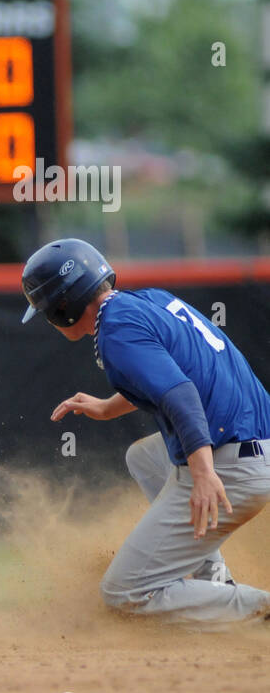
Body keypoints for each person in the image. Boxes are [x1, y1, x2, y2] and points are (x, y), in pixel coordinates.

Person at [21, 238, 270, 624]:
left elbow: (182, 395)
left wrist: (203, 474)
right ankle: (214, 579)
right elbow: (176, 374)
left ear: (64, 307)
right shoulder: (147, 301)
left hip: (230, 462)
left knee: (124, 593)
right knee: (144, 456)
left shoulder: (116, 331)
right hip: (254, 445)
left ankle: (257, 607)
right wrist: (107, 406)